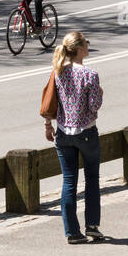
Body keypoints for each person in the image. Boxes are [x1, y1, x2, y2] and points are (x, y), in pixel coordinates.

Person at [44, 32, 104, 244]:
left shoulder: (58, 71)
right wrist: (101, 93)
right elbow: (94, 106)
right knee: (92, 179)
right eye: (86, 43)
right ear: (79, 49)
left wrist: (48, 125)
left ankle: (72, 232)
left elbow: (51, 101)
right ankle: (92, 226)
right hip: (86, 132)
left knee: (69, 181)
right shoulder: (90, 74)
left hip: (63, 133)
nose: (88, 45)